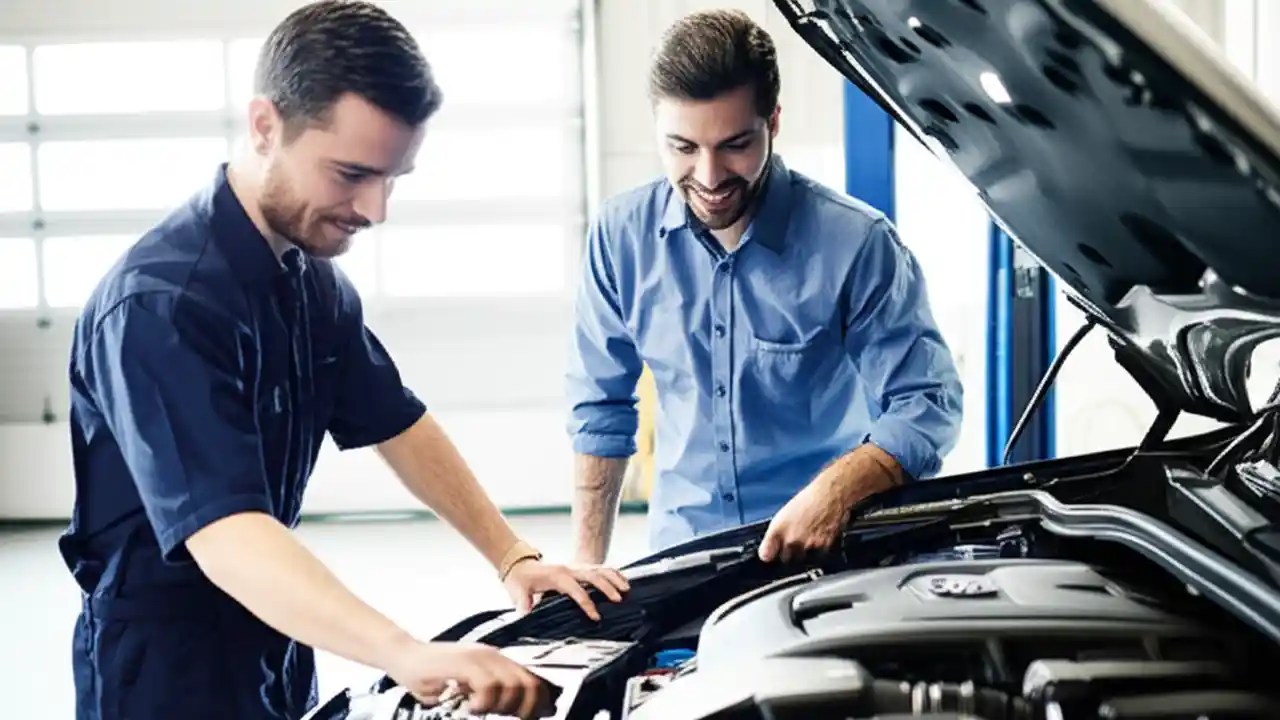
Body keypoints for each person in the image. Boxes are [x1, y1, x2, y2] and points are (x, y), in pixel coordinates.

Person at [60, 2, 627, 719]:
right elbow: (226, 537)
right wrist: (405, 653)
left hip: (277, 627)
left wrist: (512, 555)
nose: (376, 209)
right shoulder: (161, 307)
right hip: (166, 668)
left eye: (394, 177)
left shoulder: (309, 276)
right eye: (351, 174)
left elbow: (398, 421)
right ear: (266, 126)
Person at [567, 9, 962, 566]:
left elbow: (926, 402)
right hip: (683, 557)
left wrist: (834, 492)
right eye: (682, 147)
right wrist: (587, 567)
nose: (707, 177)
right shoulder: (620, 236)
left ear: (773, 123)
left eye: (735, 145)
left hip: (825, 552)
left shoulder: (857, 243)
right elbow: (599, 405)